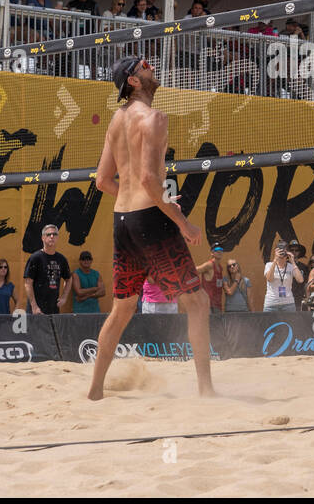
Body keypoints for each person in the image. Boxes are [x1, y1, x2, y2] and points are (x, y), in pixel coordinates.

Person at [89, 55, 211, 399]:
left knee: (123, 308)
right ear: (133, 81)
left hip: (122, 220)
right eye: (145, 66)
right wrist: (180, 220)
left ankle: (95, 390)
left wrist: (147, 201)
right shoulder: (154, 118)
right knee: (198, 302)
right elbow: (147, 178)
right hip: (149, 220)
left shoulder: (116, 120)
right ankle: (206, 390)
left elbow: (101, 181)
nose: (153, 67)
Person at [22, 225, 72, 315]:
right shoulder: (35, 257)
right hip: (36, 310)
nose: (52, 236)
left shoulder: (61, 259)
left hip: (53, 309)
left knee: (53, 329)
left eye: (55, 234)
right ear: (43, 238)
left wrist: (64, 297)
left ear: (57, 238)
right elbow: (27, 283)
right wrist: (34, 306)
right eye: (48, 234)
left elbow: (69, 279)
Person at [263, 243, 304, 312]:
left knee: (289, 323)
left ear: (287, 252)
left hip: (288, 304)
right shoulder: (269, 265)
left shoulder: (291, 267)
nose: (282, 253)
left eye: (284, 251)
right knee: (269, 323)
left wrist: (293, 262)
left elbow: (300, 280)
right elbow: (269, 279)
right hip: (272, 304)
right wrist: (275, 260)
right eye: (280, 251)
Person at [196, 248, 224, 313]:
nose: (219, 252)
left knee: (217, 323)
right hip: (208, 305)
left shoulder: (220, 267)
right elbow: (195, 270)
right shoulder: (209, 265)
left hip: (217, 304)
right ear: (212, 253)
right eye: (217, 250)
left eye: (221, 250)